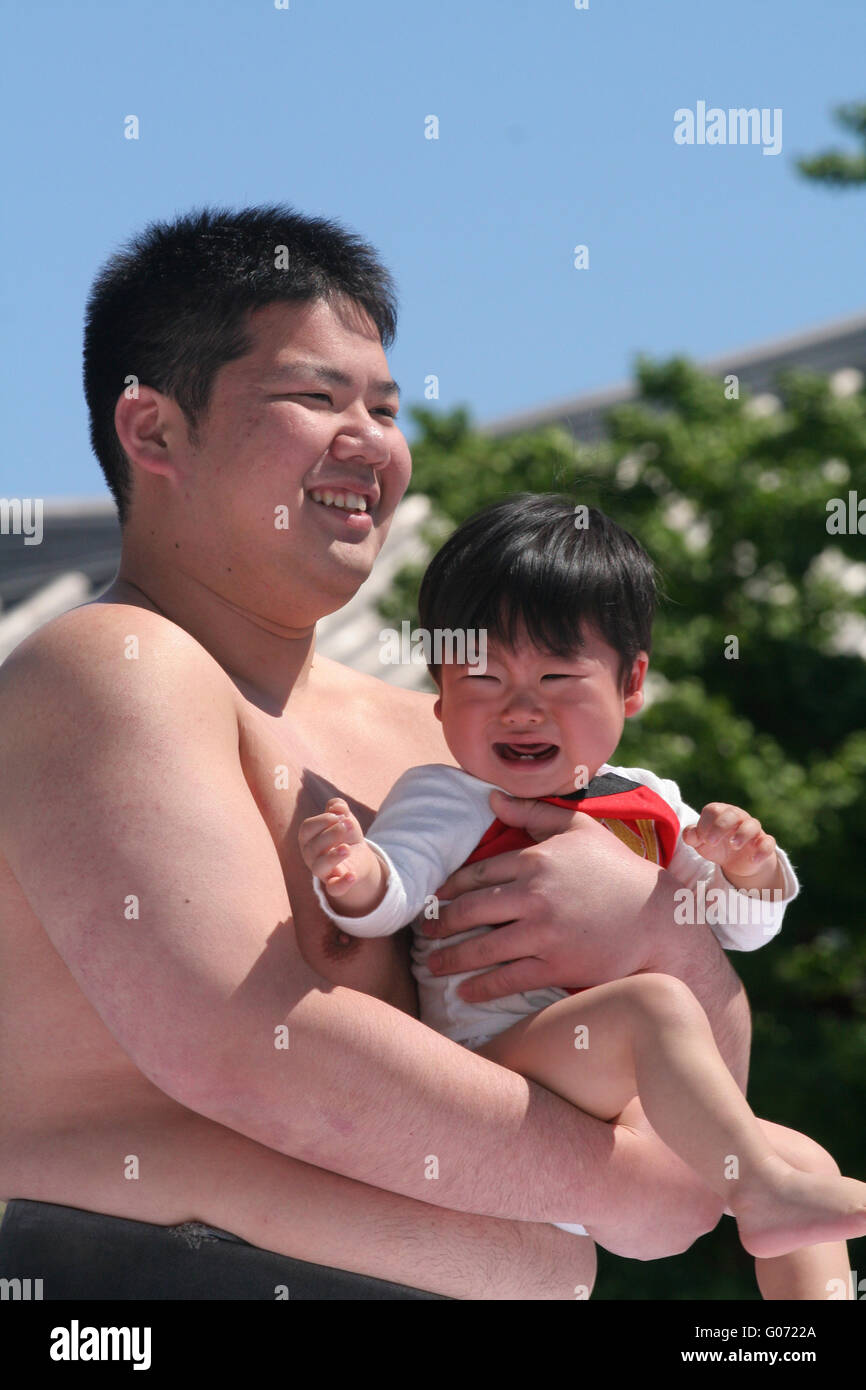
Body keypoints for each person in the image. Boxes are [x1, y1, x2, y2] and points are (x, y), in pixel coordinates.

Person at [0, 205, 838, 1301]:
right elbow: (245, 1047)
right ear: (154, 431)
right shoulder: (114, 662)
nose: (372, 441)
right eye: (315, 397)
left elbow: (684, 1103)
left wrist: (656, 934)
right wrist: (638, 1189)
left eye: (385, 406)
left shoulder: (443, 729)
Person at [301, 493, 866, 1293]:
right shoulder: (446, 795)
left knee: (805, 1155)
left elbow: (743, 927)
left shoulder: (648, 798)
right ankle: (764, 1191)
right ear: (440, 695)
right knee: (659, 1006)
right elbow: (392, 891)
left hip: (631, 1107)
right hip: (503, 1074)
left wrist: (750, 867)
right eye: (484, 678)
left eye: (559, 677)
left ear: (632, 684)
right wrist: (353, 876)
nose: (522, 707)